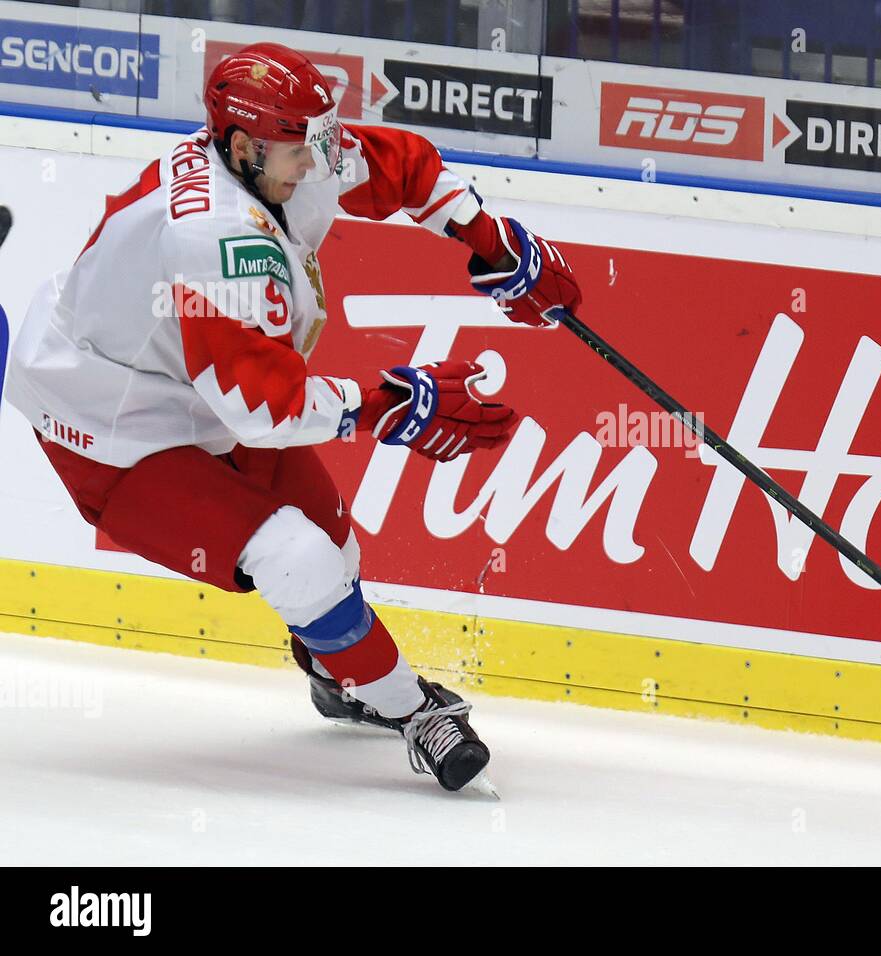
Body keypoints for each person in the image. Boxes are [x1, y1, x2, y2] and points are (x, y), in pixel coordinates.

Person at [4, 42, 582, 793]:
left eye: (316, 141)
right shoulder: (215, 235)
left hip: (189, 386)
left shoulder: (280, 150)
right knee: (296, 558)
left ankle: (337, 676)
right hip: (111, 428)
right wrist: (393, 404)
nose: (315, 164)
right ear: (243, 148)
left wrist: (488, 237)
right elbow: (262, 408)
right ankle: (415, 714)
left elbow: (400, 166)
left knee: (337, 550)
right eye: (297, 151)